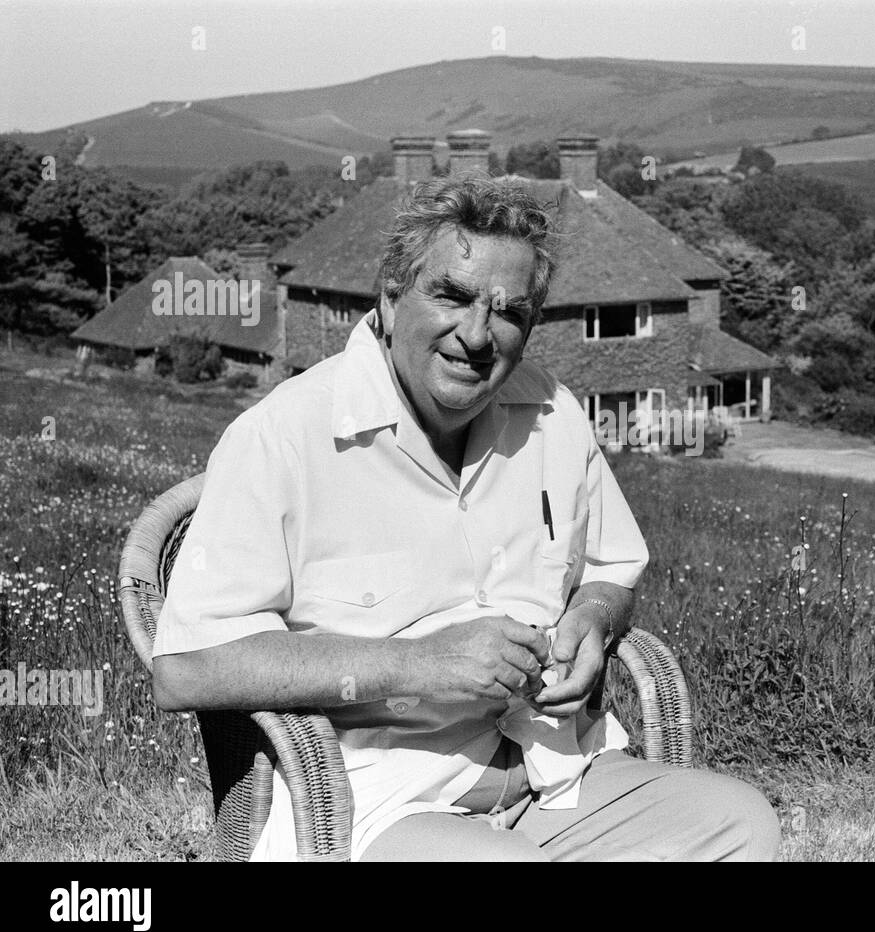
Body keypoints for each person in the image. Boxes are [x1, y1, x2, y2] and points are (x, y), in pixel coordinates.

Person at [151, 173, 781, 861]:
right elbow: (188, 667)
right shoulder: (281, 436)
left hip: (555, 774)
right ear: (391, 300)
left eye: (507, 312)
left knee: (743, 825)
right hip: (374, 803)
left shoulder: (553, 415)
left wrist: (594, 620)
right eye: (451, 295)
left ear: (529, 326)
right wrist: (418, 665)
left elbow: (610, 572)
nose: (477, 335)